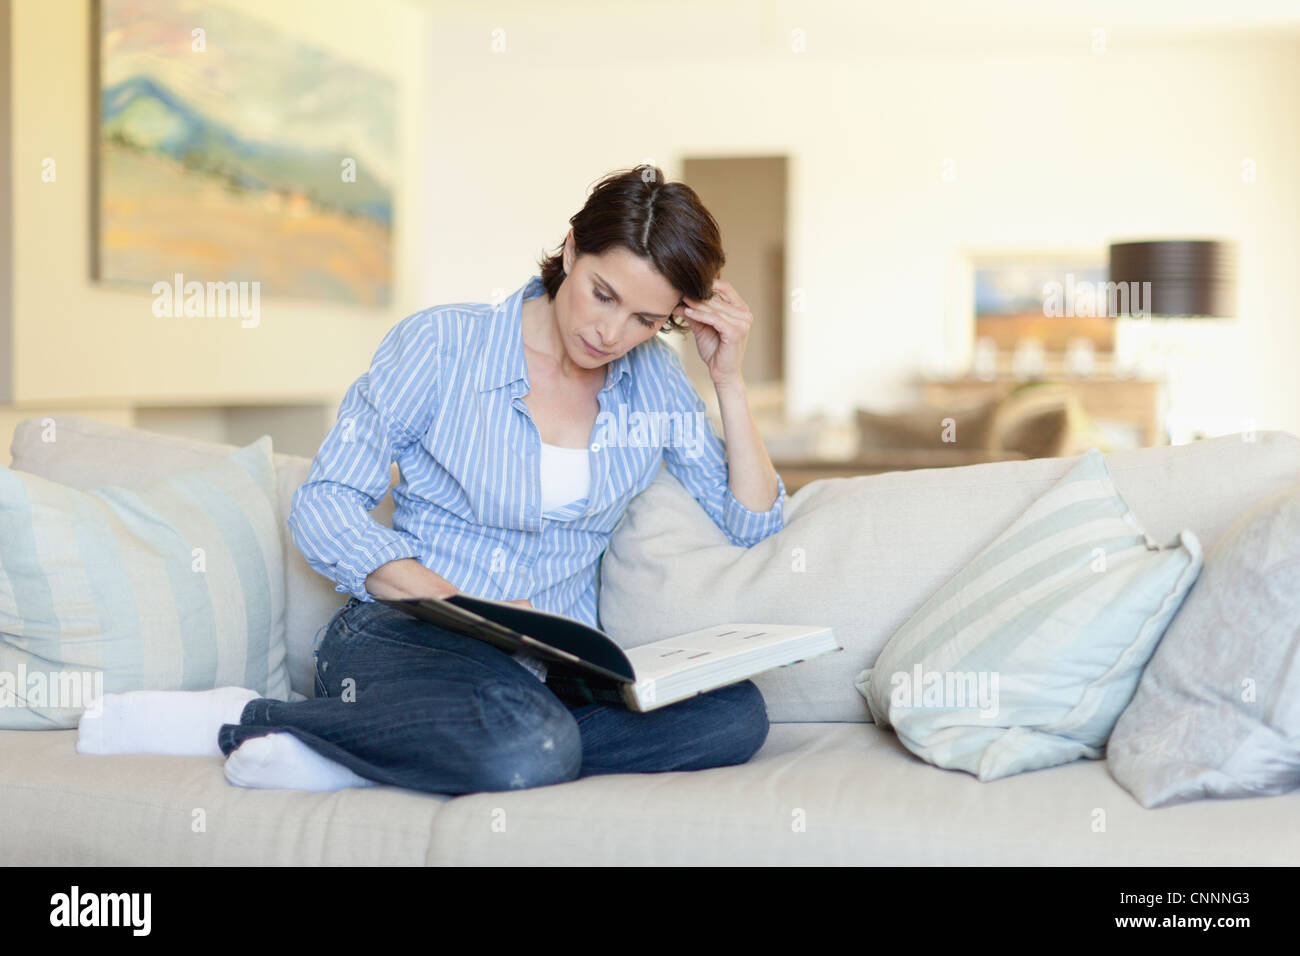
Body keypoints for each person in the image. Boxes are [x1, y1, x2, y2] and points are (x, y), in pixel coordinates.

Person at [76, 164, 788, 794]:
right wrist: (455, 601)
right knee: (530, 742)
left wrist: (727, 379)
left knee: (735, 717)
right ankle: (254, 717)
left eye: (645, 320)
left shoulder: (653, 383)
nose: (612, 334)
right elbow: (326, 504)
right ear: (571, 249)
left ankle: (353, 756)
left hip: (547, 669)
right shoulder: (443, 346)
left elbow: (751, 518)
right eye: (603, 295)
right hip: (409, 635)